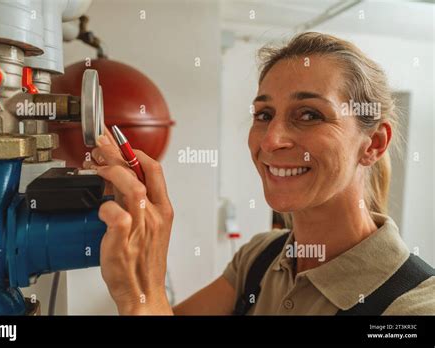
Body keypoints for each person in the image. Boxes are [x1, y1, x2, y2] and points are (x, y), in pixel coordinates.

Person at [83, 32, 434, 315]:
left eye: (309, 114)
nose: (271, 140)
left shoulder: (411, 306)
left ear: (373, 143)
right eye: (264, 115)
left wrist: (141, 295)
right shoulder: (261, 258)